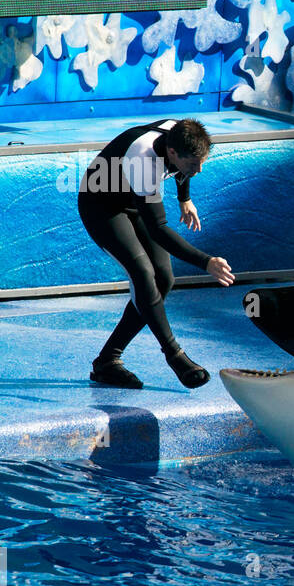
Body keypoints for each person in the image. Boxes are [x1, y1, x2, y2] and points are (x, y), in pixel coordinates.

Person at [77, 117, 234, 389]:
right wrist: (205, 261)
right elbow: (159, 228)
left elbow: (182, 170)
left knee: (164, 278)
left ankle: (107, 361)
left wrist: (184, 198)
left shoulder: (177, 132)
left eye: (202, 161)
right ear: (172, 153)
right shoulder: (143, 159)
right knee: (143, 273)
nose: (198, 170)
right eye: (192, 164)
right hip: (101, 206)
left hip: (132, 200)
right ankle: (175, 356)